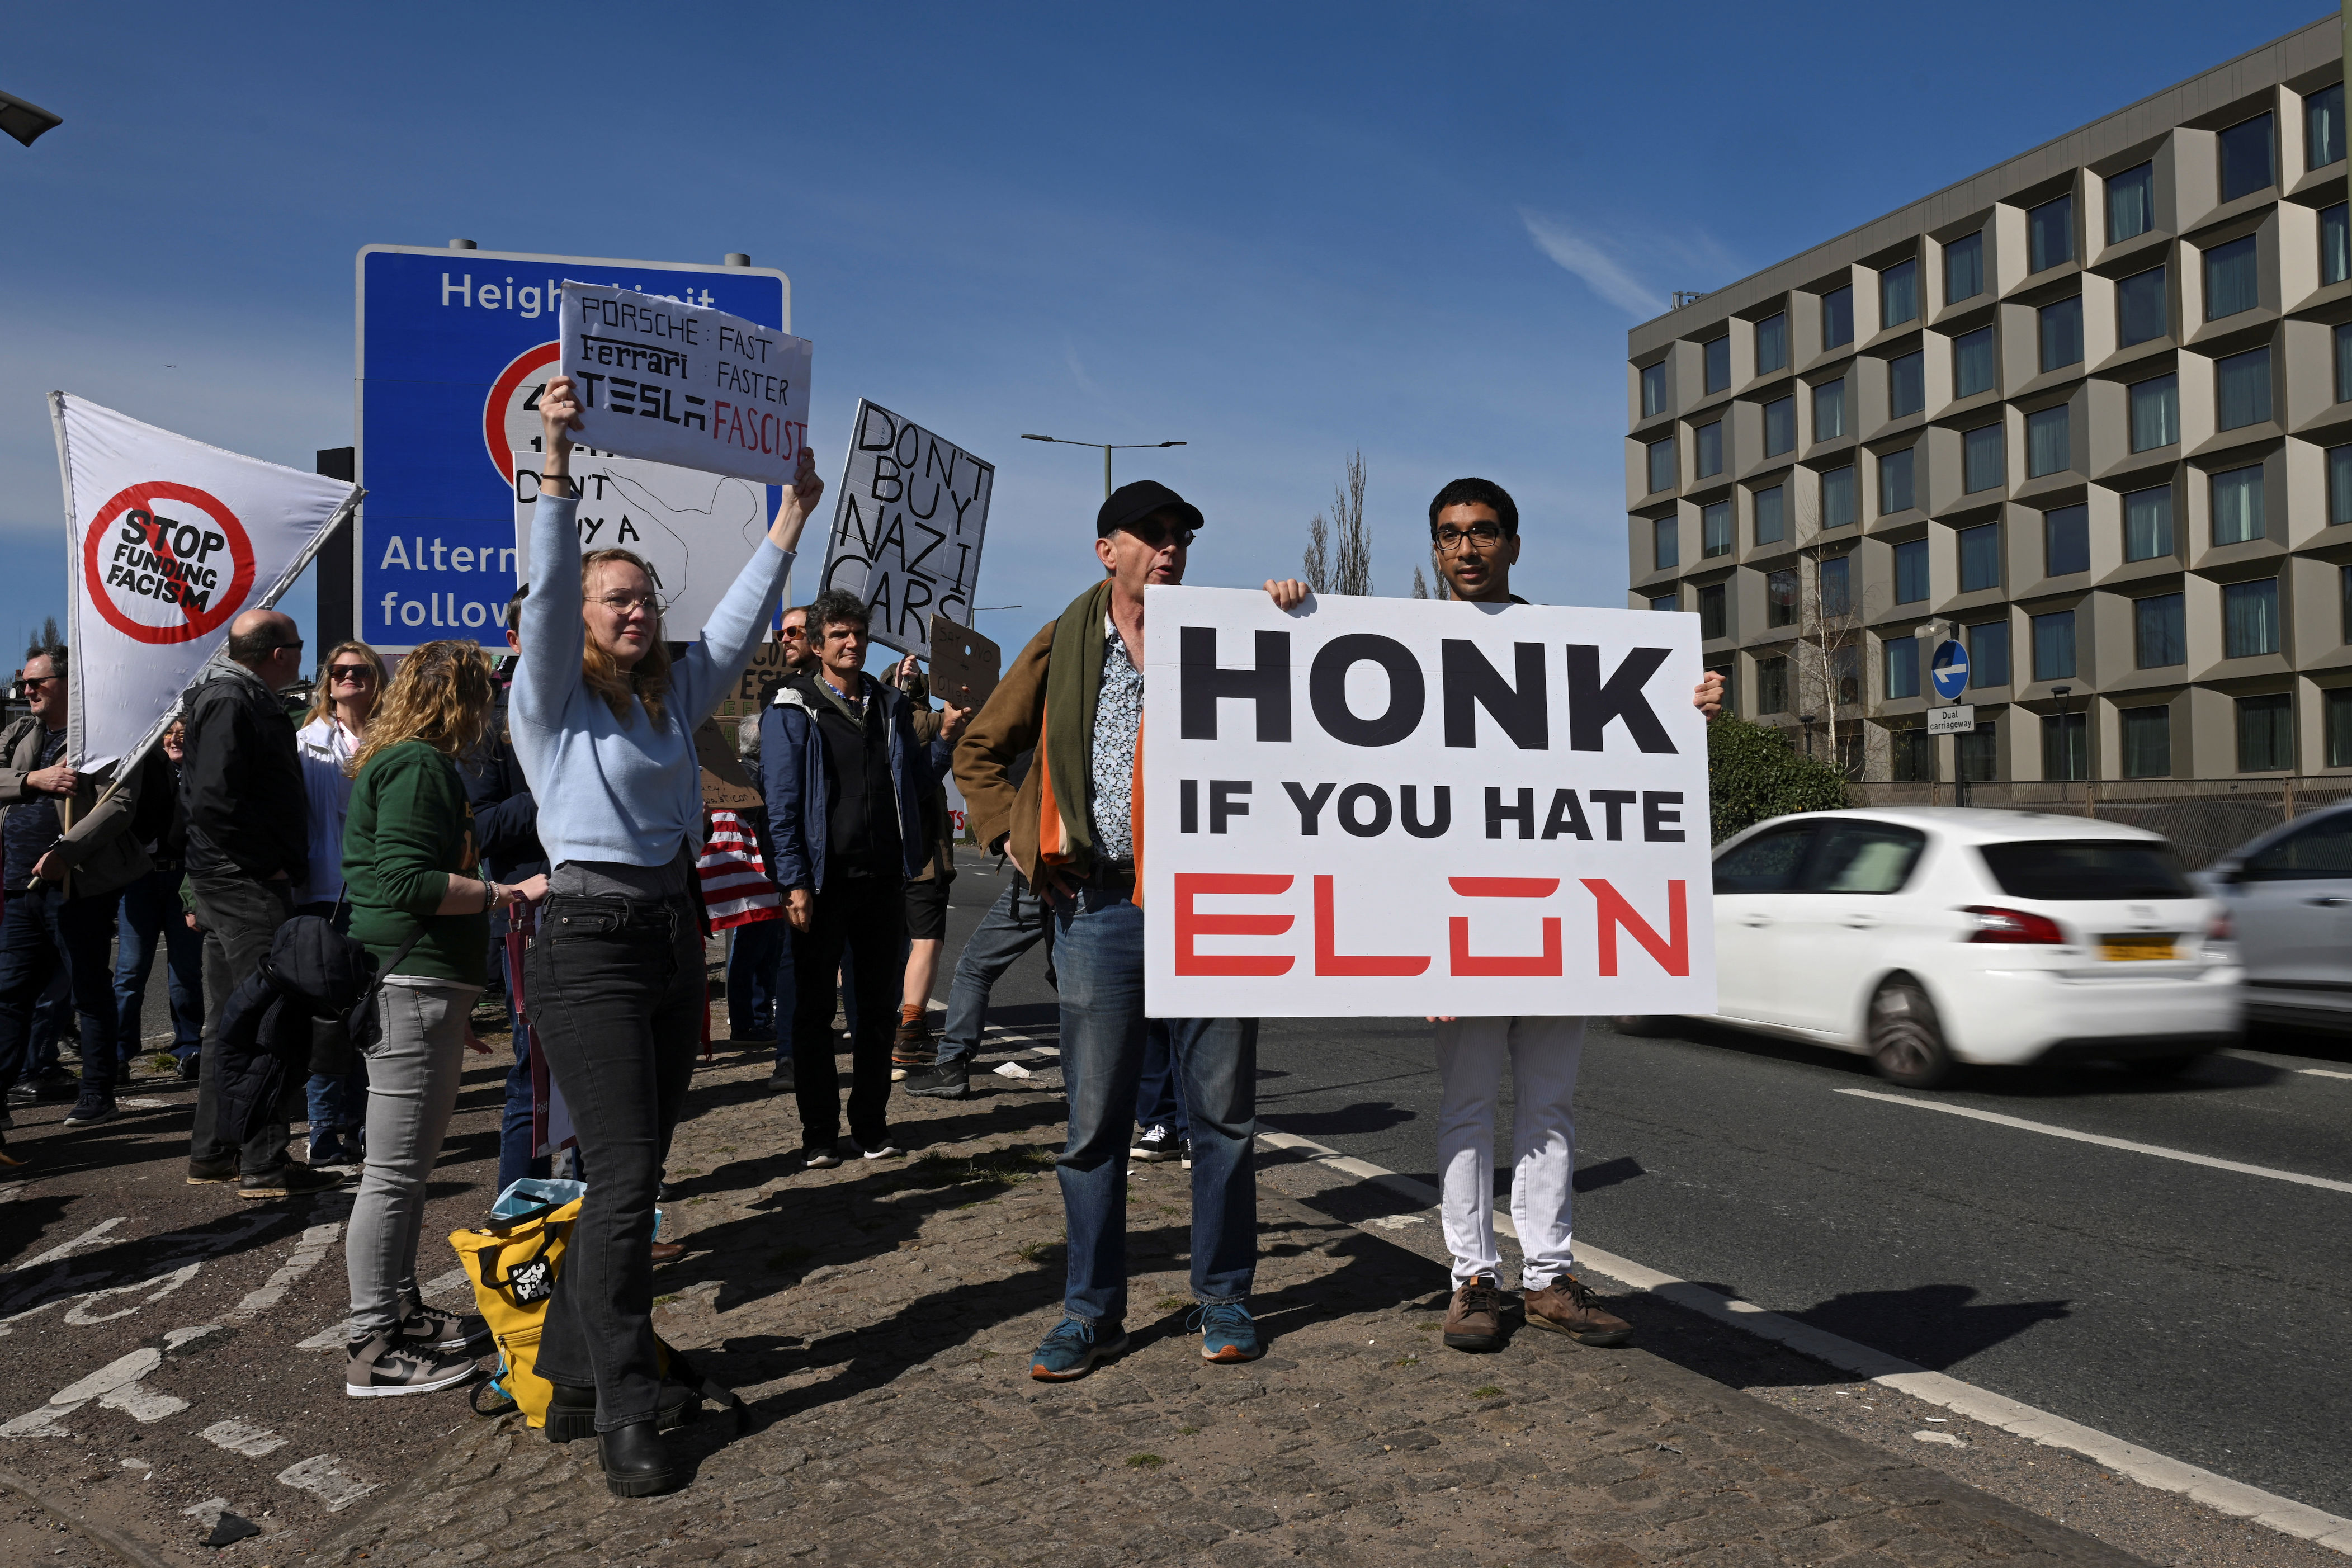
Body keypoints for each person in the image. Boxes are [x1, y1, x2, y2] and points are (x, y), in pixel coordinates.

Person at [513, 374, 819, 1497]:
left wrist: (791, 517)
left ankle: (572, 1370)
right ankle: (628, 1407)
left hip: (668, 931)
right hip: (587, 937)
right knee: (631, 1178)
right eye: (612, 597)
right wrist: (557, 460)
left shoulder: (666, 698)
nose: (631, 608)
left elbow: (735, 627)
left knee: (630, 1174)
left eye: (642, 593)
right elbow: (545, 600)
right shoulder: (549, 702)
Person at [955, 480, 1306, 1380]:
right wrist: (1018, 840)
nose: (1170, 549)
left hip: (1214, 906)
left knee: (1223, 1118)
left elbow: (1318, 723)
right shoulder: (1067, 639)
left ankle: (1224, 1295)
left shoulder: (1231, 631)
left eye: (1181, 536)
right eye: (1150, 536)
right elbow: (979, 751)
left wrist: (1298, 619)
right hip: (1098, 910)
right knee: (1093, 1124)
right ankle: (1089, 1313)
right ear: (1106, 551)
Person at [1415, 477, 1722, 1354]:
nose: (1465, 549)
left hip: (1556, 914)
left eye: (1481, 533)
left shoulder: (1566, 647)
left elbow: (1626, 766)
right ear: (1434, 550)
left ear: (1512, 544)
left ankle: (1548, 1277)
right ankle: (1471, 1279)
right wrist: (1289, 612)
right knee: (1469, 1107)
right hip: (1461, 918)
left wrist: (1686, 711)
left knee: (1549, 1107)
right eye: (1448, 535)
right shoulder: (1404, 642)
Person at [340, 639, 546, 1396]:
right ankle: (372, 1343)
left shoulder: (409, 761)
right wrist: (508, 894)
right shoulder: (418, 766)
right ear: (460, 700)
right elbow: (405, 880)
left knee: (406, 1168)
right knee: (393, 1173)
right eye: (484, 698)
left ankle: (399, 1313)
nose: (491, 713)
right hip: (408, 982)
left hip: (423, 987)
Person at [762, 590, 962, 1167]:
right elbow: (781, 801)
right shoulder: (792, 705)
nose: (853, 644)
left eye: (860, 634)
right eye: (841, 634)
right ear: (819, 643)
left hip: (882, 880)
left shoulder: (891, 704)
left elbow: (918, 783)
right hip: (821, 885)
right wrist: (794, 879)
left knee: (877, 1010)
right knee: (814, 1011)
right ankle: (819, 1132)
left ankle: (871, 1125)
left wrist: (945, 739)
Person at [183, 607, 338, 1198]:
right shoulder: (233, 700)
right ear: (279, 654)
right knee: (269, 1017)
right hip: (244, 883)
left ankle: (216, 1151)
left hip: (230, 878)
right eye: (298, 646)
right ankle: (262, 1160)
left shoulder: (234, 697)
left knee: (230, 1021)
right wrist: (264, 860)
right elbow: (213, 800)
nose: (302, 656)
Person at [0, 637, 152, 1131]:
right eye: (23, 682)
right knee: (9, 992)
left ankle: (97, 1090)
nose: (27, 690)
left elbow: (119, 804)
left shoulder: (108, 735)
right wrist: (33, 781)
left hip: (75, 886)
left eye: (37, 681)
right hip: (18, 885)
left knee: (87, 989)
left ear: (69, 683)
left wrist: (67, 853)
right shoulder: (23, 734)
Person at [461, 589, 550, 1196]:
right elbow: (477, 829)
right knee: (535, 1075)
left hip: (614, 908)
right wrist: (550, 790)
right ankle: (522, 1216)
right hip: (536, 918)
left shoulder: (607, 705)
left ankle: (615, 1216)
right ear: (515, 641)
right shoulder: (492, 725)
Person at [901, 747, 1051, 1102]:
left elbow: (986, 772)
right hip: (1100, 868)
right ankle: (1162, 1107)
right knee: (1093, 981)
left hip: (1042, 868)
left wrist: (1009, 841)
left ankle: (952, 1062)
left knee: (975, 967)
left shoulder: (1024, 739)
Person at [295, 640, 388, 1168]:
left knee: (369, 1015)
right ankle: (325, 1129)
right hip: (324, 892)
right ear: (327, 682)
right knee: (329, 1020)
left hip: (378, 894)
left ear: (377, 681)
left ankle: (361, 1123)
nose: (350, 677)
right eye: (340, 671)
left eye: (361, 670)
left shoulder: (392, 741)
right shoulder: (306, 743)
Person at [112, 722, 203, 1081]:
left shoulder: (201, 770)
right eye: (168, 731)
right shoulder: (141, 767)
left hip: (184, 877)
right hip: (139, 878)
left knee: (185, 970)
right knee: (130, 972)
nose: (175, 738)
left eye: (183, 731)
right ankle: (118, 1053)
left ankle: (188, 1046)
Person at [885, 655, 956, 1078]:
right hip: (922, 854)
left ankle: (896, 1028)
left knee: (893, 946)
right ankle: (909, 1030)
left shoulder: (875, 724)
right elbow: (935, 725)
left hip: (890, 855)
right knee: (925, 941)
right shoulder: (912, 724)